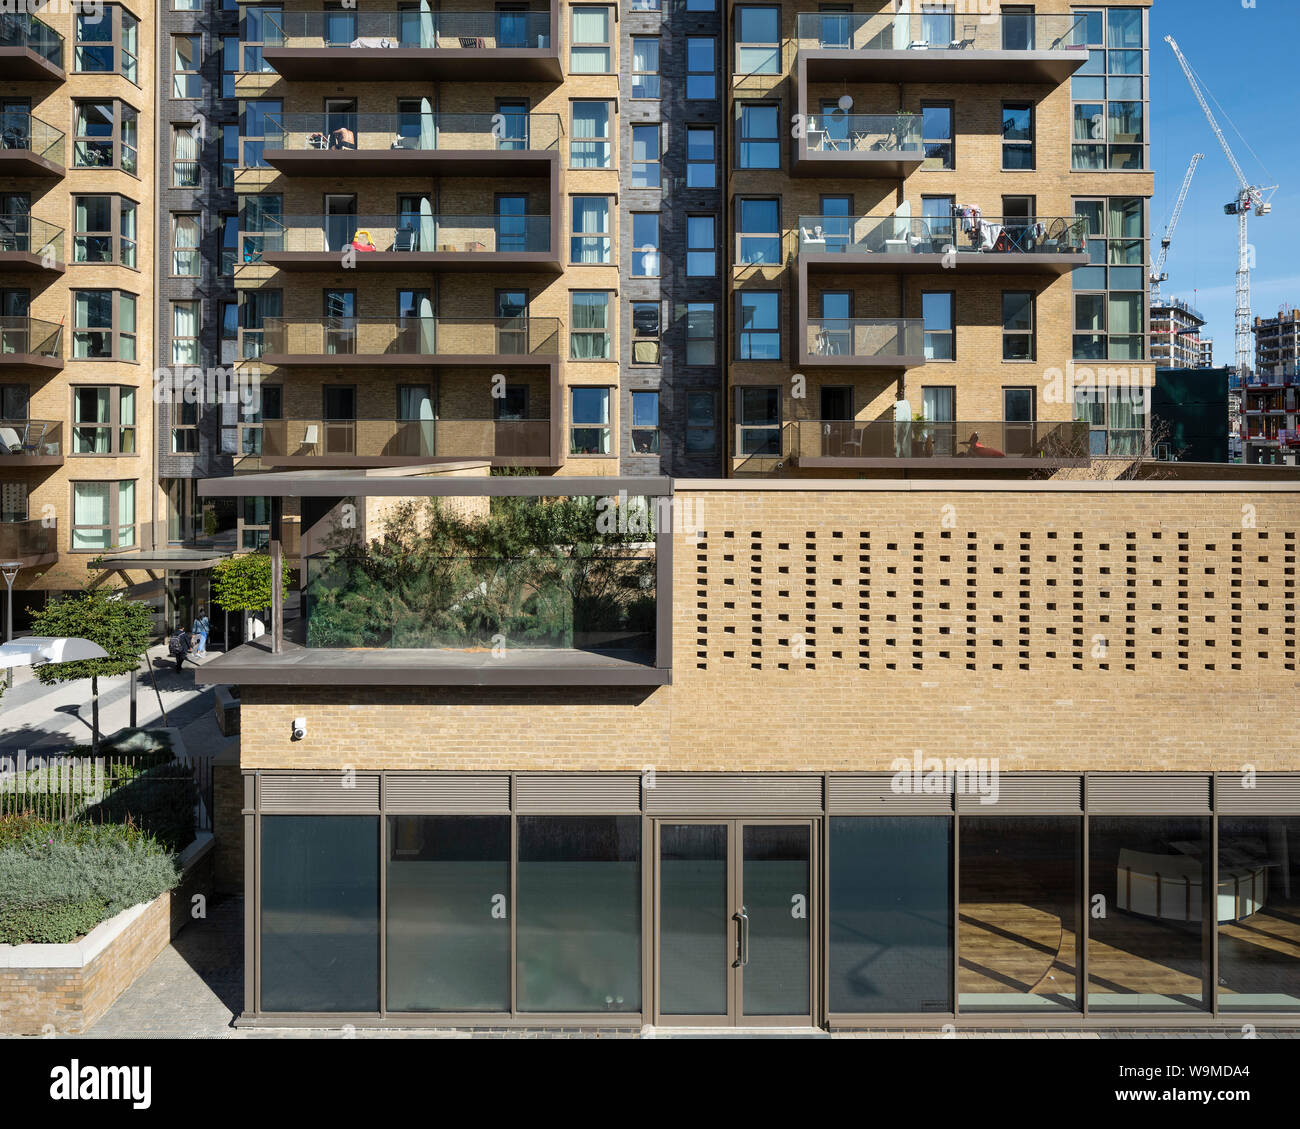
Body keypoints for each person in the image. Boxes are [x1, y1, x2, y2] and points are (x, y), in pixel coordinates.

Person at [893, 387, 912, 458]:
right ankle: (899, 453)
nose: (901, 394)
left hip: (904, 421)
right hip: (900, 422)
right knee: (899, 438)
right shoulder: (899, 403)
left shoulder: (906, 404)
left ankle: (903, 453)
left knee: (904, 437)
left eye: (902, 392)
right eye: (900, 393)